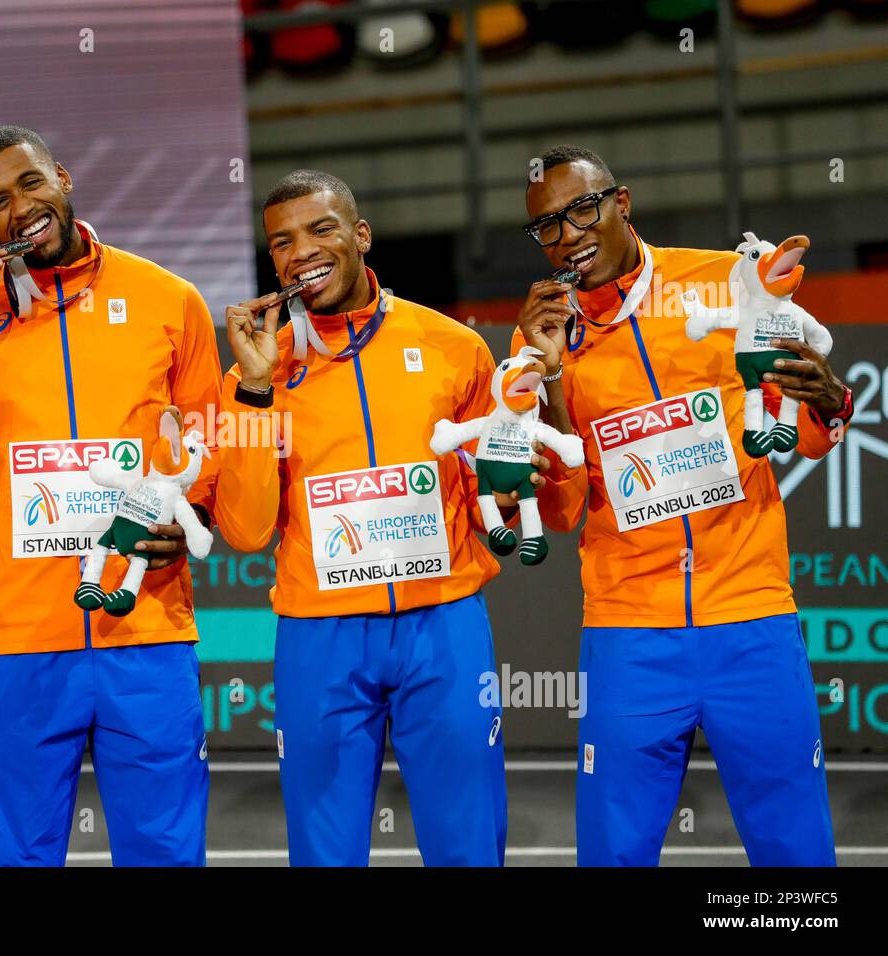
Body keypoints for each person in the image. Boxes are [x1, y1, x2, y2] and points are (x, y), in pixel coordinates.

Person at [515, 144, 852, 866]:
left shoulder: (727, 282)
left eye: (582, 208)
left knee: (796, 854)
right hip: (630, 634)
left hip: (751, 616)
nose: (568, 234)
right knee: (612, 853)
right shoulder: (541, 337)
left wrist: (833, 401)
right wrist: (545, 377)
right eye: (547, 226)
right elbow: (564, 509)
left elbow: (816, 431)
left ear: (621, 202)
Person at [0, 126, 222, 866]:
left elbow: (208, 441)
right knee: (16, 856)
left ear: (64, 176)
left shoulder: (168, 300)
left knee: (166, 853)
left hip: (145, 628)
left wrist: (196, 514)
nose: (20, 208)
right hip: (18, 641)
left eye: (30, 184)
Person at [216, 169, 550, 866]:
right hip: (321, 638)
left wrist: (512, 498)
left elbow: (498, 497)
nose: (301, 252)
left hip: (444, 624)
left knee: (467, 846)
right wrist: (251, 388)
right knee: (325, 853)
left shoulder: (454, 346)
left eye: (321, 229)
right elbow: (245, 531)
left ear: (361, 235)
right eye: (282, 243)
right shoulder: (255, 376)